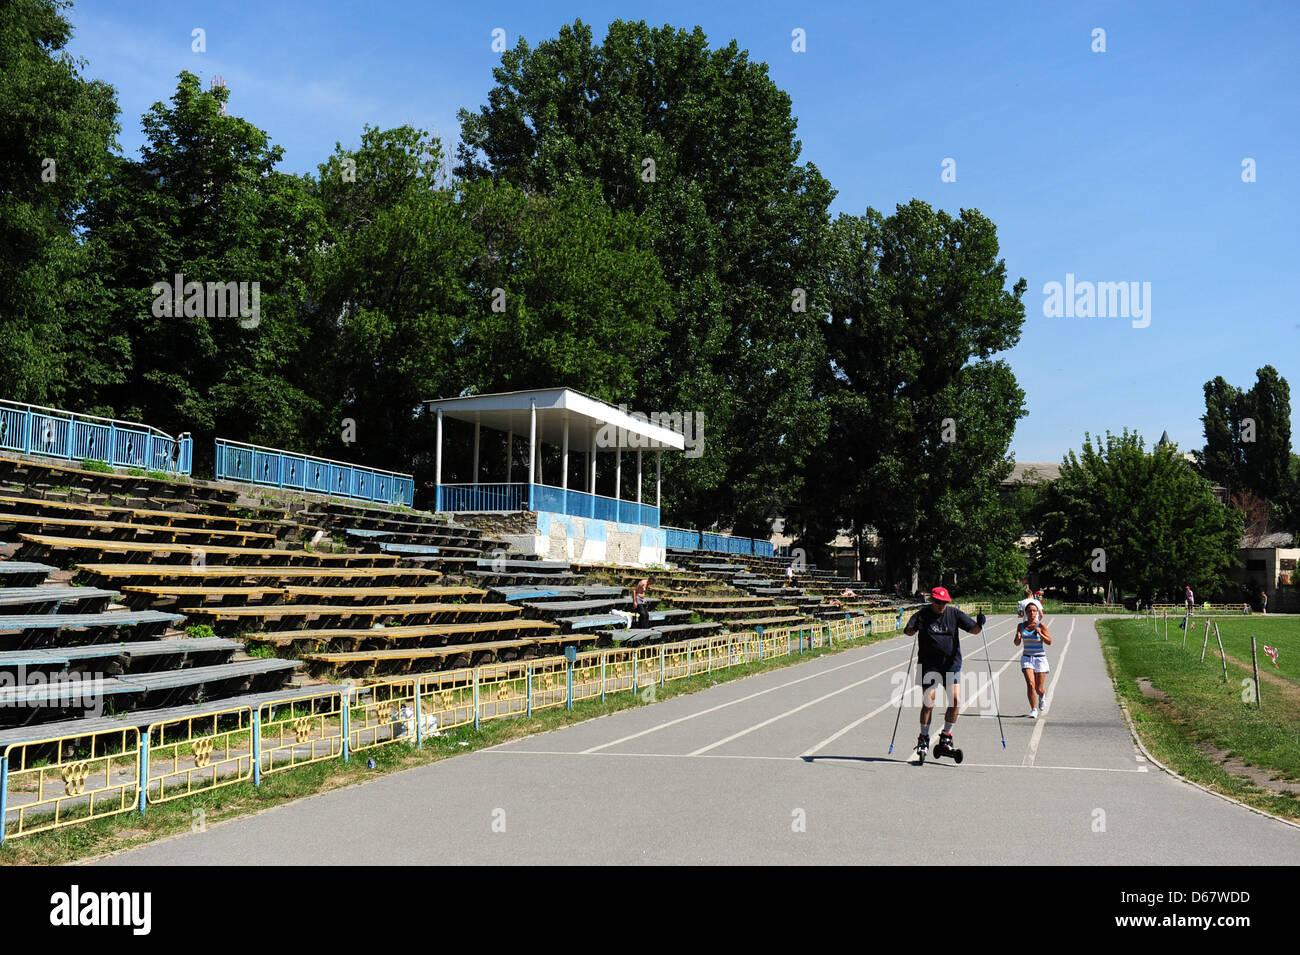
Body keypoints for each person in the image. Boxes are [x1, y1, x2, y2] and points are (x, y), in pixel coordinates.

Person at [903, 586, 985, 760]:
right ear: (932, 600)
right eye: (938, 602)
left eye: (944, 602)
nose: (941, 605)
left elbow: (975, 631)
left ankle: (946, 735)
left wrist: (980, 623)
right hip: (929, 664)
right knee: (929, 701)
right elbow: (908, 632)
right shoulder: (922, 615)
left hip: (951, 663)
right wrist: (915, 627)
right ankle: (924, 736)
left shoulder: (954, 614)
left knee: (955, 700)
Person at [1015, 603, 1053, 717]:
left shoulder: (1042, 625)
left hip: (1040, 658)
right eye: (1030, 611)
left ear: (1037, 612)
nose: (1032, 613)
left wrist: (1040, 633)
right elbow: (1016, 643)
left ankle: (1042, 696)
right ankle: (1033, 709)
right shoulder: (1020, 626)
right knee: (1030, 684)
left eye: (1034, 611)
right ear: (1026, 613)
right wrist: (1018, 637)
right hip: (1027, 658)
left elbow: (1049, 642)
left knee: (1038, 688)